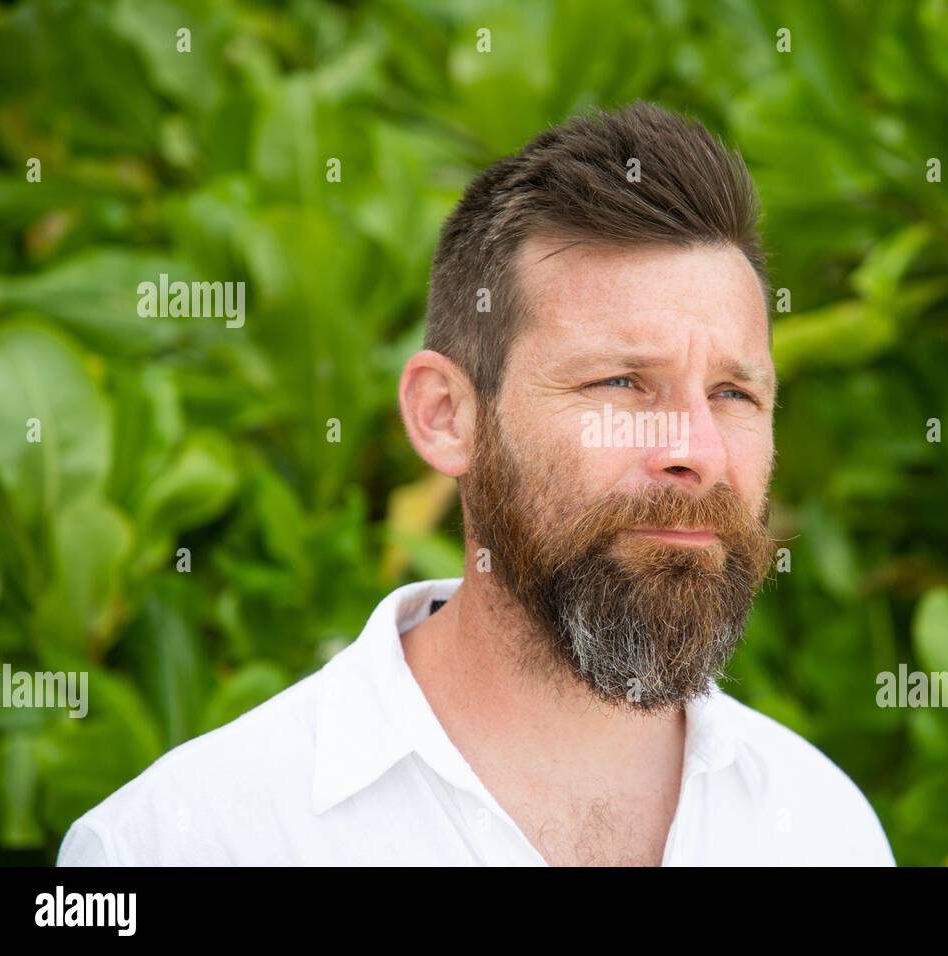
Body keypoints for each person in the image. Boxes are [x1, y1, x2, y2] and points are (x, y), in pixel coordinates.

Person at [57, 100, 895, 866]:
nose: (698, 452)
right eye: (620, 384)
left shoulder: (825, 828)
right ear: (445, 415)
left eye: (733, 393)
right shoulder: (180, 842)